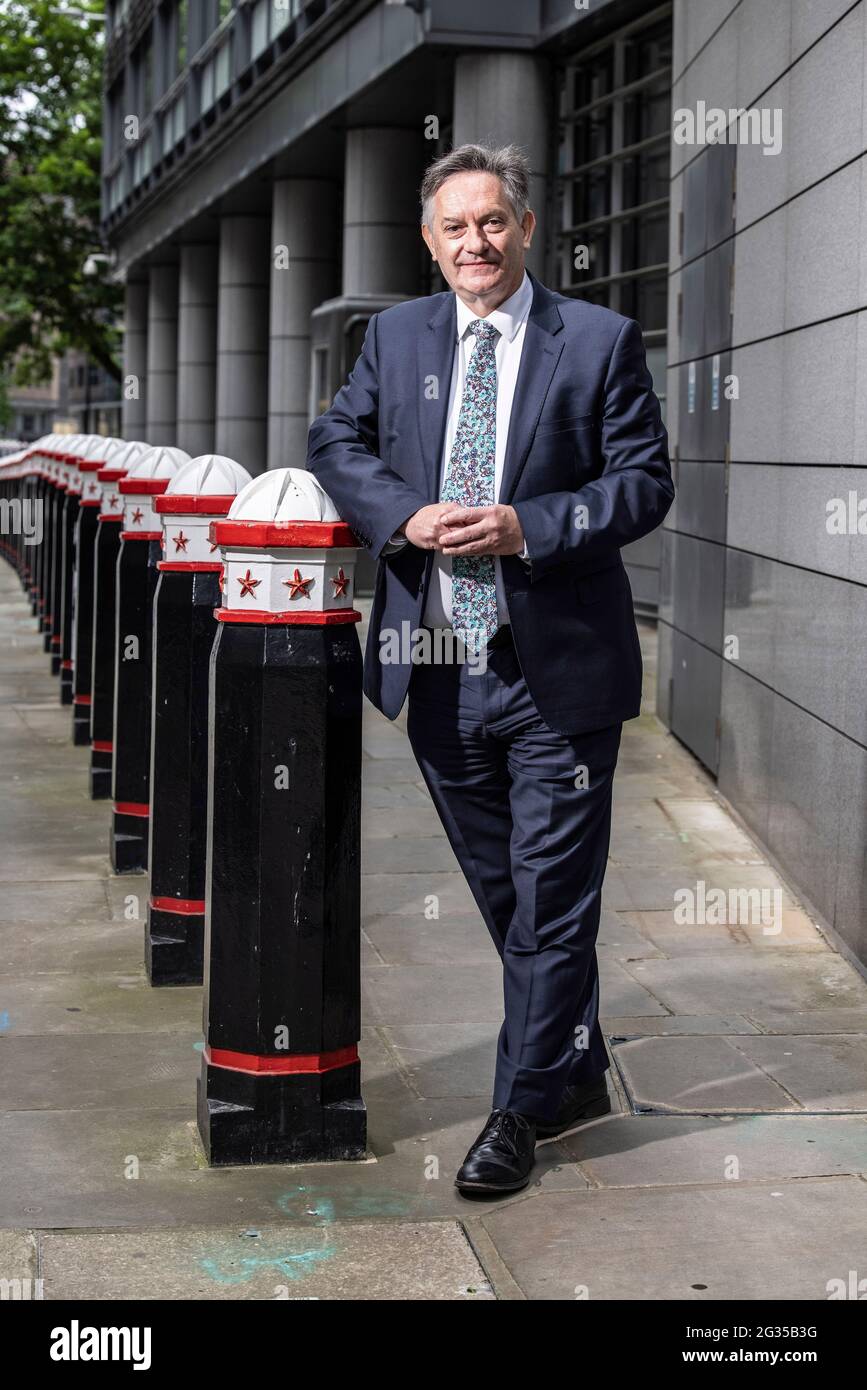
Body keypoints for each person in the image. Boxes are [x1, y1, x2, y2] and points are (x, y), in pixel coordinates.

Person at [307, 143, 673, 1195]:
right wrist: (398, 514)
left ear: (525, 229)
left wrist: (528, 527)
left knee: (553, 899)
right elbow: (337, 439)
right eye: (455, 227)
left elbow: (645, 484)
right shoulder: (398, 335)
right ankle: (571, 1059)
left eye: (493, 222)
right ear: (430, 243)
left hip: (557, 672)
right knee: (511, 897)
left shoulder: (597, 340)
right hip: (437, 667)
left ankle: (517, 1114)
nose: (476, 242)